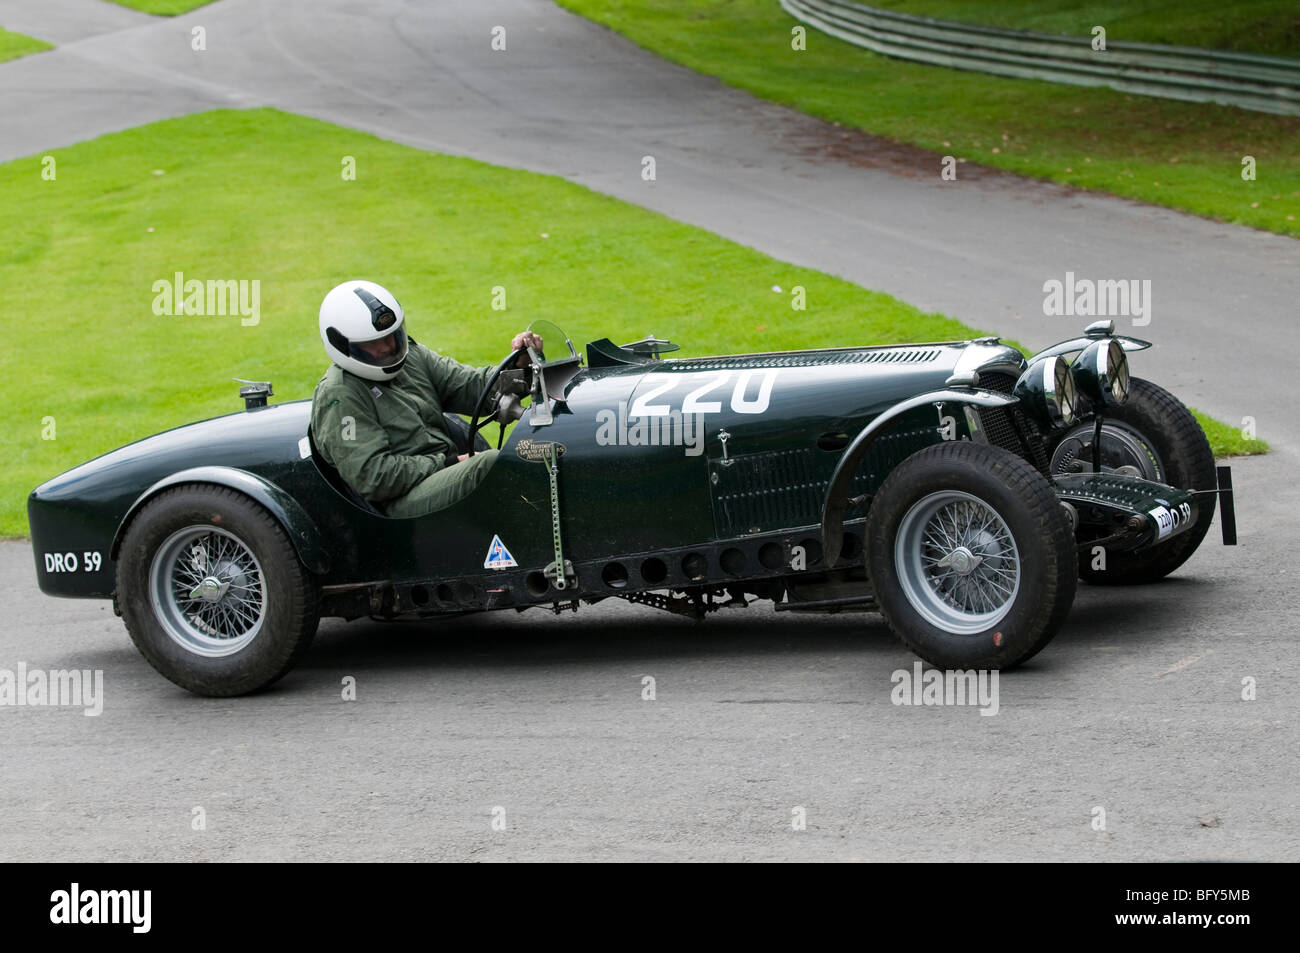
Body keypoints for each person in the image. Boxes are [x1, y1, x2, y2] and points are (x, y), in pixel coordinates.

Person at [310, 279, 539, 518]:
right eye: (375, 343)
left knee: (530, 450)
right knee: (489, 465)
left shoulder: (412, 359)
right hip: (399, 502)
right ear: (342, 345)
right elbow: (373, 476)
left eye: (393, 335)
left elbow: (473, 387)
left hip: (443, 474)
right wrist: (446, 463)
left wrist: (519, 365)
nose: (389, 346)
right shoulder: (340, 395)